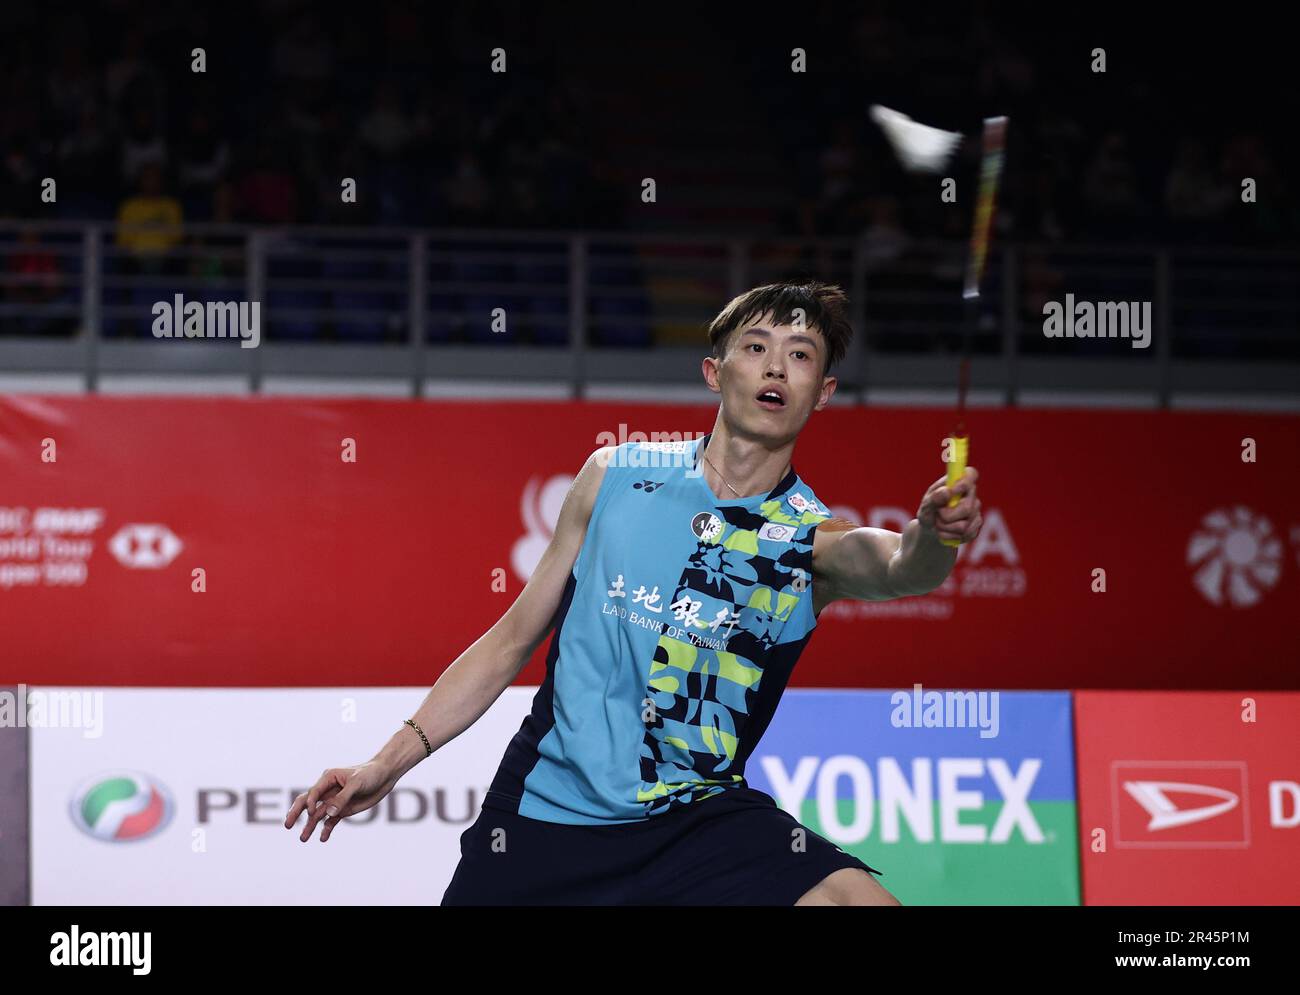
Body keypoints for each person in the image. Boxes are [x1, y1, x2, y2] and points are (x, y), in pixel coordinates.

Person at [284, 280, 983, 905]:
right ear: (715, 372)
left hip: (692, 822)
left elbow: (900, 568)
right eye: (757, 345)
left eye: (801, 354)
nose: (776, 365)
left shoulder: (809, 541)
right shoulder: (613, 474)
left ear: (823, 391)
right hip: (544, 815)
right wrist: (386, 762)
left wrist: (934, 535)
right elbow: (510, 641)